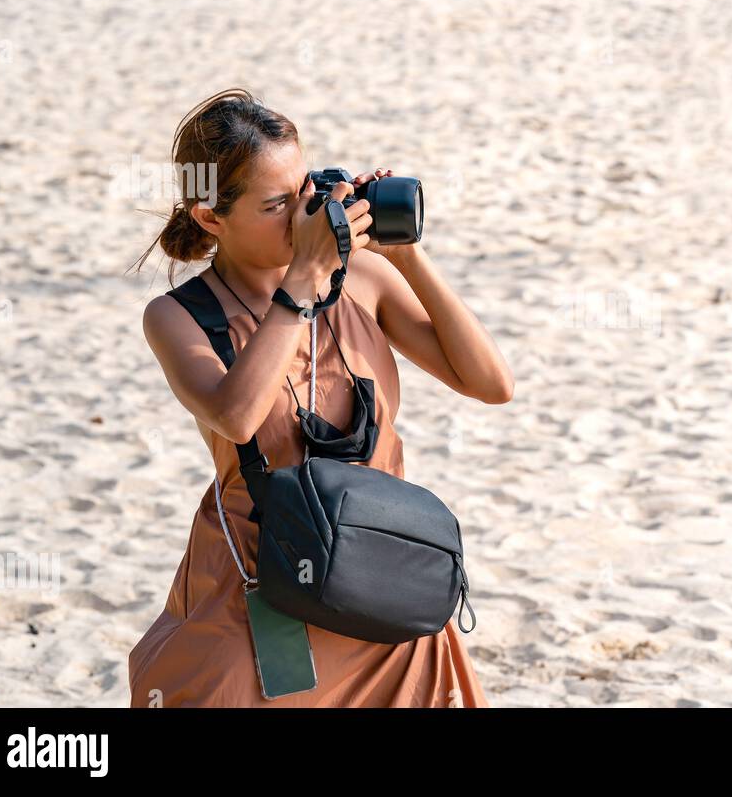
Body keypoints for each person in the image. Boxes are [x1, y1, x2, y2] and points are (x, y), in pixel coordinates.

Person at [125, 88, 513, 707]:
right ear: (209, 217)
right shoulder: (180, 316)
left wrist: (408, 256)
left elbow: (492, 384)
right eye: (277, 203)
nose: (301, 214)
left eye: (305, 190)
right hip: (265, 579)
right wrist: (301, 284)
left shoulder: (360, 279)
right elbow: (235, 415)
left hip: (382, 568)